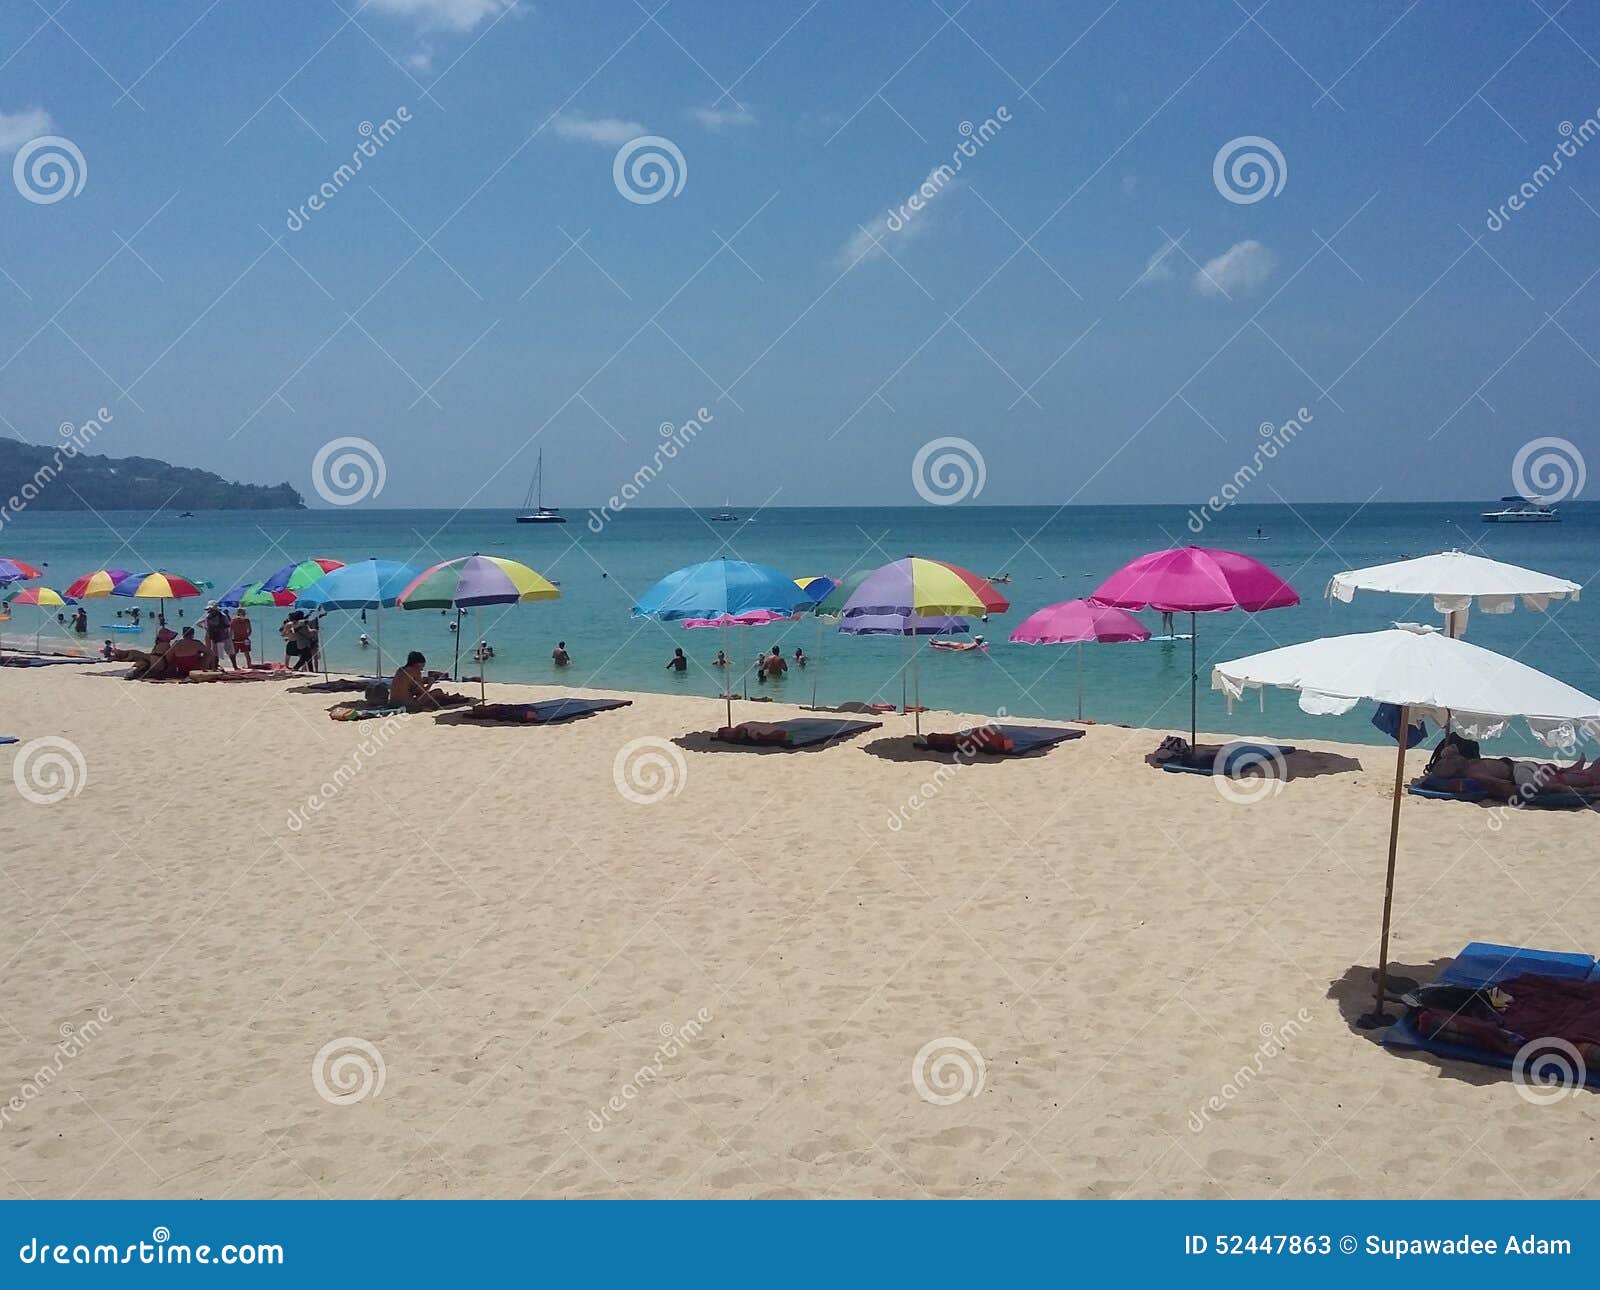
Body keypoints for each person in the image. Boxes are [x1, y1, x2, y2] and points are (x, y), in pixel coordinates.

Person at [390, 651, 469, 711]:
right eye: (422, 666)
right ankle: (451, 698)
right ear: (417, 664)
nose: (422, 669)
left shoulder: (400, 670)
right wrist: (430, 683)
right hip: (408, 705)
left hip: (393, 703)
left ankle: (448, 698)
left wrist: (423, 681)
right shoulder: (415, 671)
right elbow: (423, 691)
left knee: (434, 696)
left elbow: (409, 687)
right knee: (437, 691)